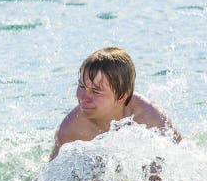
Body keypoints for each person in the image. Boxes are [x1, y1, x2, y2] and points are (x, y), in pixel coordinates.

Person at [49, 47, 181, 164]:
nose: (83, 98)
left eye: (95, 91)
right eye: (82, 86)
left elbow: (183, 159)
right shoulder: (70, 130)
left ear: (122, 97)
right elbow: (50, 179)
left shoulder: (150, 119)